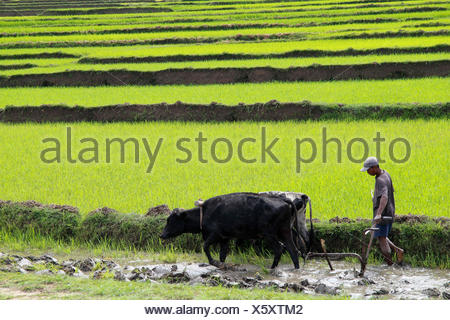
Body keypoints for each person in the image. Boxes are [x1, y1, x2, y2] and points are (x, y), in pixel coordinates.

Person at [361, 156, 404, 265]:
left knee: (382, 241)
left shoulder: (380, 180)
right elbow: (391, 190)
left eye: (368, 170)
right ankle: (397, 250)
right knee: (381, 235)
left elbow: (384, 196)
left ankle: (390, 265)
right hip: (389, 211)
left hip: (383, 215)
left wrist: (379, 213)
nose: (367, 172)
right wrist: (375, 198)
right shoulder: (385, 174)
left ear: (374, 167)